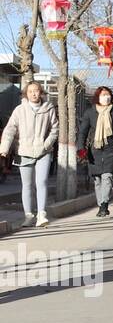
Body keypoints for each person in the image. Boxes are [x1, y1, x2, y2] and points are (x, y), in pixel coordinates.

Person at [1, 81, 58, 227]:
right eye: (30, 91)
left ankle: (41, 214)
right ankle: (28, 215)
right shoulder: (20, 110)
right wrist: (4, 149)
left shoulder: (48, 108)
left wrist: (47, 144)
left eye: (37, 90)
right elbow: (10, 130)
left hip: (43, 151)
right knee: (27, 185)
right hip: (24, 150)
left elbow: (54, 129)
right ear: (26, 93)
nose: (34, 93)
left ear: (41, 93)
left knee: (42, 182)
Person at [77, 87, 113, 218]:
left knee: (107, 177)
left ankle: (104, 205)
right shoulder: (90, 112)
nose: (105, 97)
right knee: (97, 180)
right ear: (97, 97)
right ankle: (101, 203)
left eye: (107, 95)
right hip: (94, 150)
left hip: (111, 149)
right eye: (102, 95)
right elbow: (83, 132)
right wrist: (81, 148)